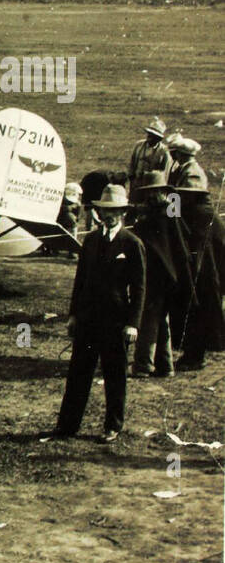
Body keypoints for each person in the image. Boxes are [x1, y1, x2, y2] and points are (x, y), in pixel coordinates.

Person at [43, 185, 145, 444]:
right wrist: (74, 315)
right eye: (104, 210)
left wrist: (133, 323)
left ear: (122, 212)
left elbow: (140, 287)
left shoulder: (132, 243)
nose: (108, 215)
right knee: (79, 372)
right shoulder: (90, 240)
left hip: (116, 321)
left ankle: (112, 426)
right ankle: (67, 426)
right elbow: (80, 281)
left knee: (115, 374)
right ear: (98, 211)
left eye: (113, 211)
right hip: (88, 319)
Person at [130, 172, 186, 378]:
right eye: (150, 192)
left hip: (155, 277)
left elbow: (142, 240)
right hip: (170, 277)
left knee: (148, 319)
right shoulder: (170, 215)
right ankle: (165, 364)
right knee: (161, 321)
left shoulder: (154, 219)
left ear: (162, 192)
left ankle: (144, 364)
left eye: (154, 192)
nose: (151, 195)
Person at [171, 178, 225, 372]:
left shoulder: (201, 215)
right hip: (206, 275)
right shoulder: (196, 212)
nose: (179, 197)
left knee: (197, 316)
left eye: (184, 194)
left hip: (204, 277)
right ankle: (192, 354)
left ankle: (195, 357)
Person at [128, 118, 171, 188]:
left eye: (152, 135)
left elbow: (165, 172)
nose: (149, 137)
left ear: (158, 138)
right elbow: (132, 164)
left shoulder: (164, 151)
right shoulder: (139, 145)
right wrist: (132, 180)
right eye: (149, 134)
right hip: (137, 183)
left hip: (153, 185)